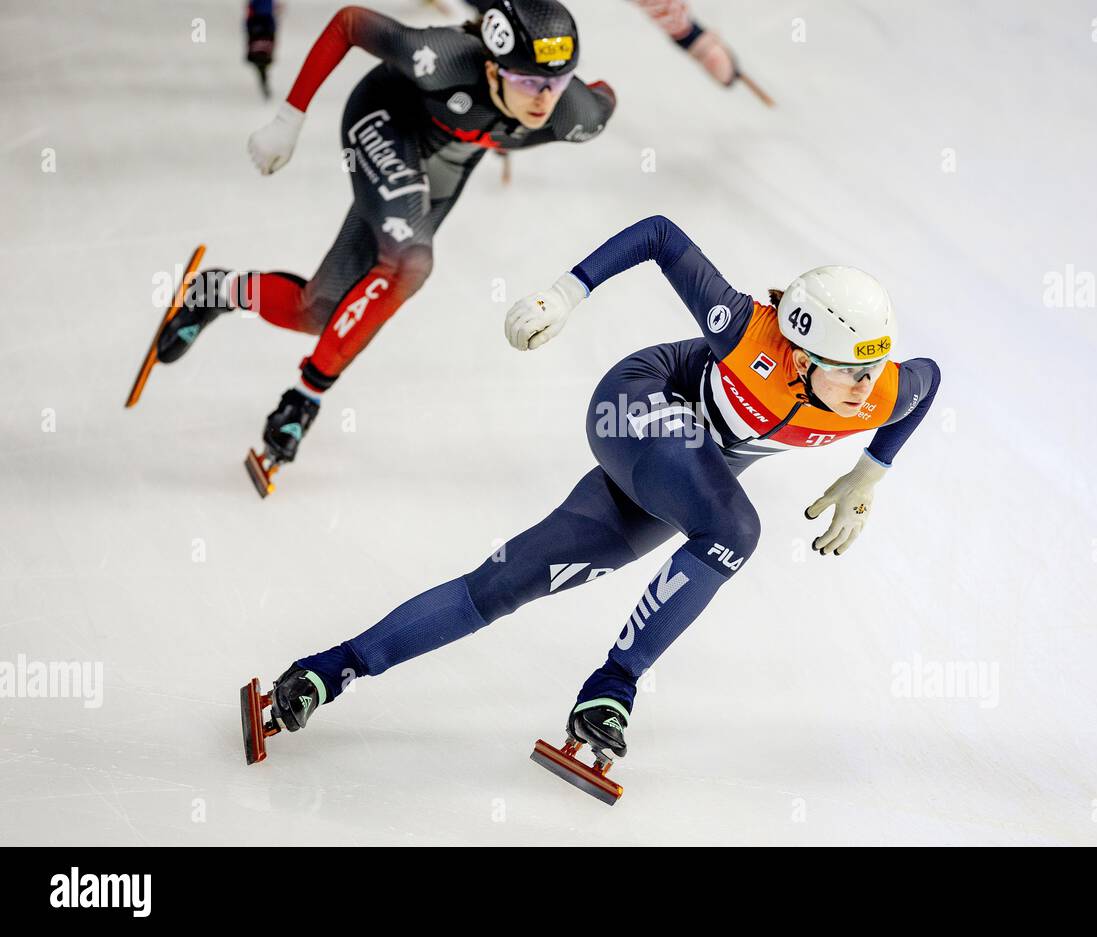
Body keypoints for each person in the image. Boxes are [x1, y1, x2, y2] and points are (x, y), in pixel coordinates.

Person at [244, 215, 940, 776]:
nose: (864, 388)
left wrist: (868, 472)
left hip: (676, 476)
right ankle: (619, 685)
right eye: (850, 369)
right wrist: (565, 293)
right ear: (797, 350)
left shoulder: (878, 389)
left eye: (874, 366)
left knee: (502, 584)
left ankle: (324, 673)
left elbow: (927, 381)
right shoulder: (742, 328)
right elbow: (661, 235)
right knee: (734, 528)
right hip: (638, 404)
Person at [155, 3, 615, 487]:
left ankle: (218, 291)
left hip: (444, 160)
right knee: (411, 261)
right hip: (384, 120)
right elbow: (350, 23)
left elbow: (605, 97)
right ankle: (304, 398)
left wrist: (566, 91)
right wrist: (289, 120)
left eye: (557, 83)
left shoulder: (578, 114)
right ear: (490, 67)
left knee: (318, 313)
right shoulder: (438, 57)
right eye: (527, 82)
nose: (543, 99)